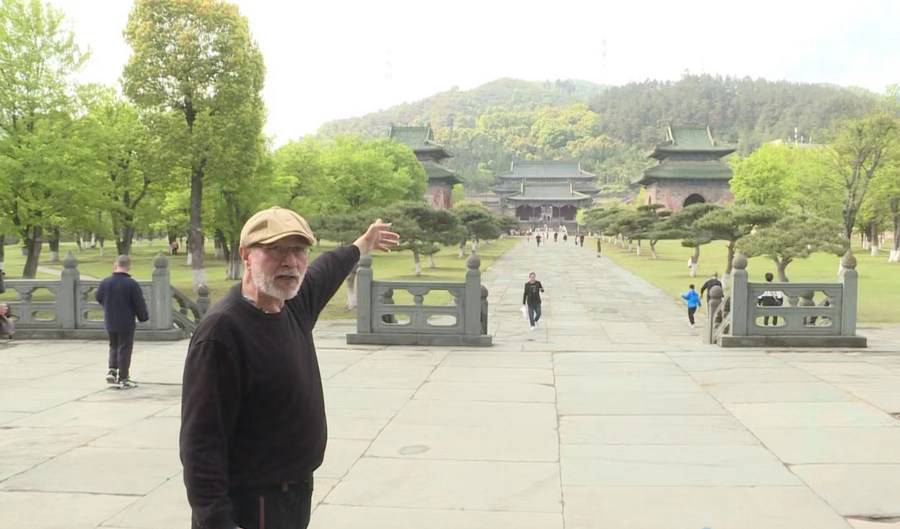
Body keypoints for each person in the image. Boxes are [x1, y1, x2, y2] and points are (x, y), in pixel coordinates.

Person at [180, 206, 399, 529]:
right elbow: (201, 444)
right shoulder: (222, 333)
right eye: (274, 250)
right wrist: (217, 522)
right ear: (246, 255)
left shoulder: (293, 304)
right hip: (253, 505)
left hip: (294, 495)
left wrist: (363, 243)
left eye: (298, 250)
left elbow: (329, 267)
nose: (290, 262)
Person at [96, 255, 149, 389]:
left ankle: (112, 371)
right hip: (126, 321)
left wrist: (108, 306)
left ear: (115, 264)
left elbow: (99, 297)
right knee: (125, 348)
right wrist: (143, 317)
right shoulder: (131, 284)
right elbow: (139, 304)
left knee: (113, 345)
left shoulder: (105, 282)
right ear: (129, 266)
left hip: (110, 320)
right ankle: (124, 377)